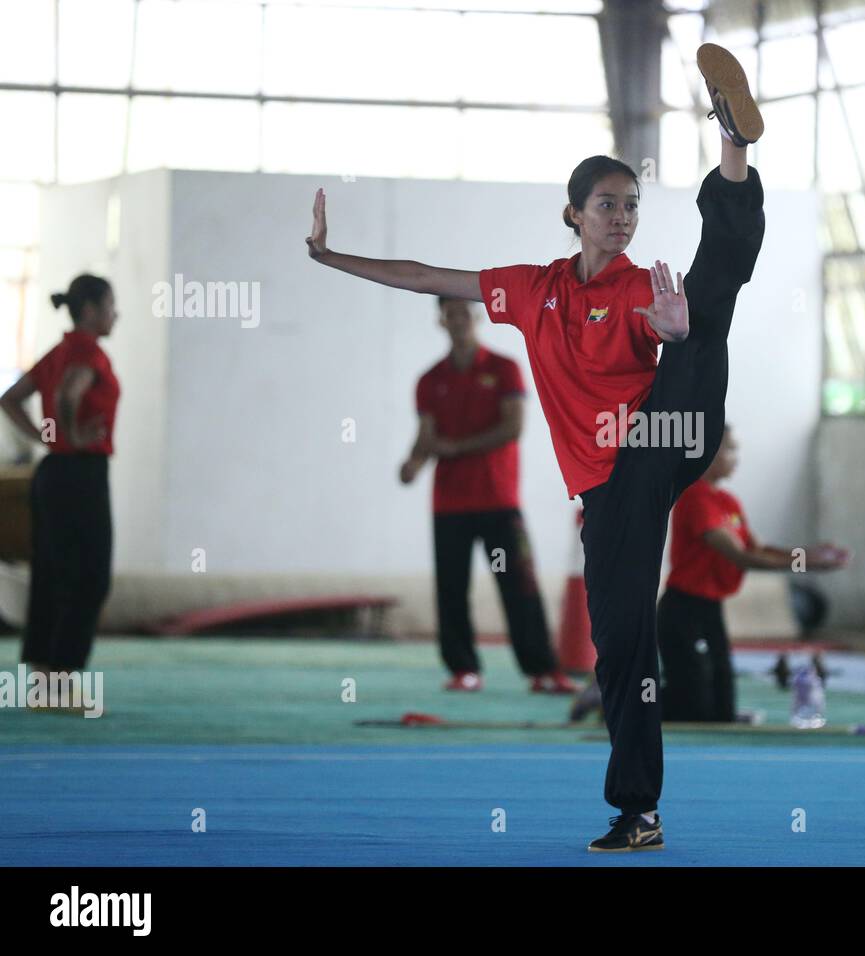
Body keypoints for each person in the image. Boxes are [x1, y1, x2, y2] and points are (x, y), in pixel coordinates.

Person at [307, 42, 765, 853]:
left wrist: (676, 332)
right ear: (574, 213)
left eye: (631, 205)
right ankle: (639, 811)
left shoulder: (635, 288)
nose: (622, 218)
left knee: (706, 302)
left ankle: (732, 145)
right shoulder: (531, 288)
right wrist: (329, 256)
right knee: (620, 640)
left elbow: (671, 326)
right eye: (607, 204)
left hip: (662, 434)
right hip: (611, 487)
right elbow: (423, 276)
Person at [399, 295, 575, 694]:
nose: (458, 320)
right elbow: (427, 437)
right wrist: (413, 462)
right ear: (441, 321)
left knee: (519, 585)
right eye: (450, 314)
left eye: (464, 313)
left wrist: (456, 448)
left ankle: (542, 671)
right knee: (451, 589)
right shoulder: (430, 381)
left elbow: (513, 428)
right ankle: (464, 670)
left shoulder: (504, 369)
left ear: (477, 317)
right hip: (450, 504)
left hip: (499, 500)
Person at [658, 424, 850, 723]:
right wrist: (808, 564)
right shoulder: (693, 497)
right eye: (730, 449)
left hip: (710, 610)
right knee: (694, 711)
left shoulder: (728, 503)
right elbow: (741, 557)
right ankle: (615, 702)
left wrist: (809, 555)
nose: (736, 457)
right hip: (683, 610)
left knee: (721, 712)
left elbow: (758, 549)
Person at [0, 274, 120, 708]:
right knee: (89, 577)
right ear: (89, 310)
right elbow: (71, 393)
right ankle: (62, 682)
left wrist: (46, 437)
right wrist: (72, 435)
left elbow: (10, 398)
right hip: (81, 474)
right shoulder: (86, 350)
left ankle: (41, 681)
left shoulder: (59, 350)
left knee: (51, 574)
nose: (115, 314)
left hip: (52, 473)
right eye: (110, 305)